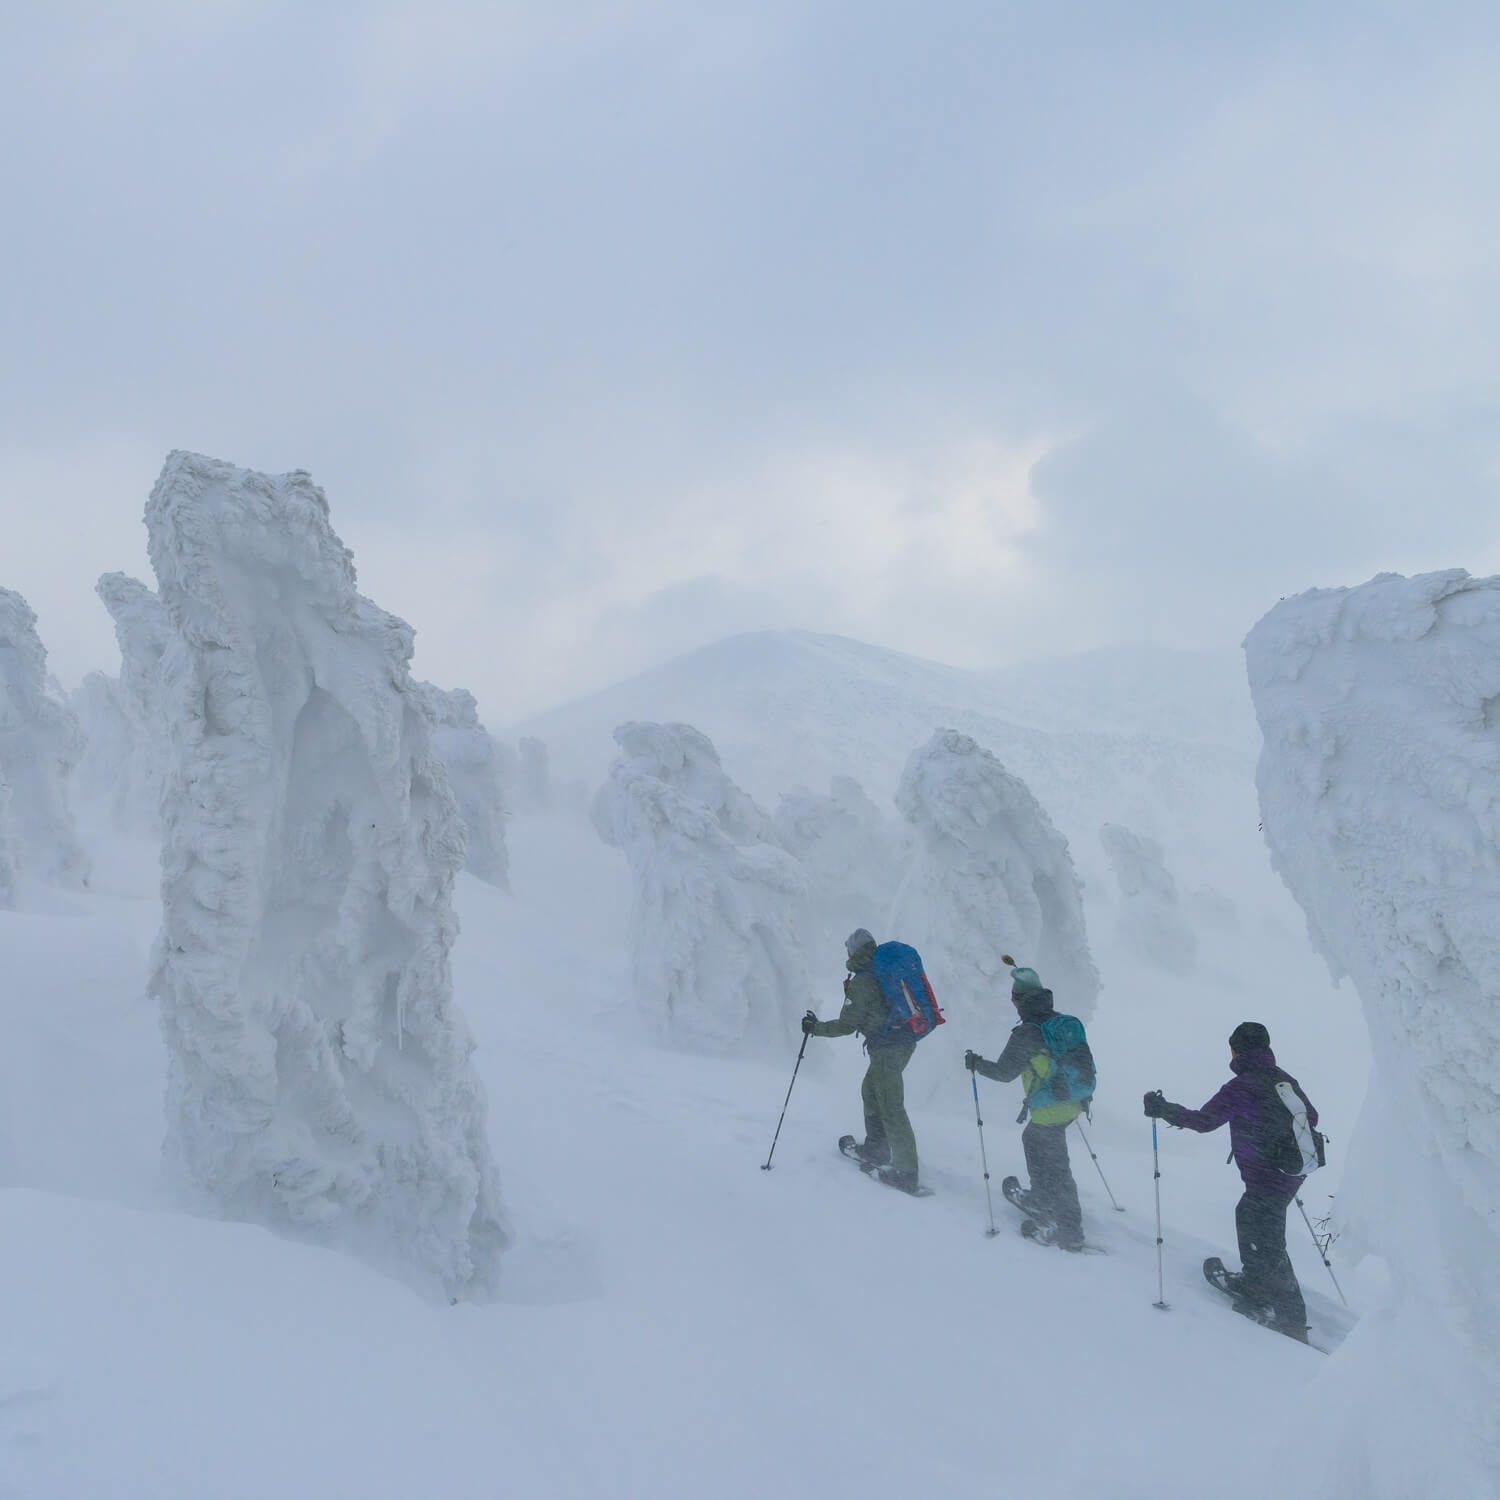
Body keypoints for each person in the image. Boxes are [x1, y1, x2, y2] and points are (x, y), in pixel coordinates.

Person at [1144, 1021, 1317, 1340]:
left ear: (1236, 1051)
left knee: (1269, 1242)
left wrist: (1164, 1110)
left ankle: (1291, 1321)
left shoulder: (1243, 1087)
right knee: (1250, 1220)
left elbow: (1204, 1121)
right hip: (1290, 1172)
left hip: (1268, 1177)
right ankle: (1256, 1284)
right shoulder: (1283, 1079)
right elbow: (1312, 1116)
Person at [965, 963, 1088, 1250]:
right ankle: (1043, 1197)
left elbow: (1004, 1073)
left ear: (1018, 999)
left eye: (1013, 997)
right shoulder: (1062, 1023)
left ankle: (1069, 1230)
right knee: (1036, 1142)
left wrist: (976, 1064)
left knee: (1055, 1163)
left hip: (1050, 1108)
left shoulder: (1028, 1033)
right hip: (1075, 1101)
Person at [802, 928, 920, 1192]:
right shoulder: (881, 972)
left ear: (854, 951)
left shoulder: (864, 981)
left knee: (891, 1106)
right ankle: (877, 1148)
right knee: (871, 1091)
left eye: (848, 949)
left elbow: (847, 1024)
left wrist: (815, 1028)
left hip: (888, 1048)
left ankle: (906, 1172)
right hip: (902, 1042)